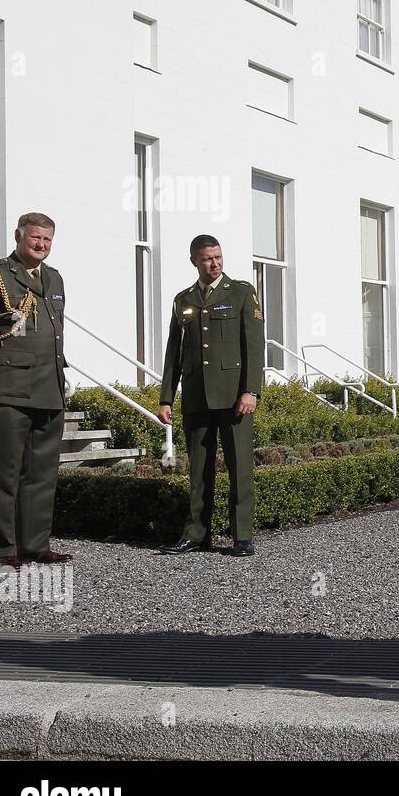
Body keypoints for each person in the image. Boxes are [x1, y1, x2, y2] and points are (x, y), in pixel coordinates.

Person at [0, 213, 71, 568]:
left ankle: (35, 544)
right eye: (35, 239)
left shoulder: (54, 277)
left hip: (49, 388)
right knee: (7, 472)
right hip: (10, 390)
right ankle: (5, 549)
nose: (41, 245)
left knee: (42, 474)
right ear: (18, 236)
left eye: (47, 239)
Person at [157, 236, 264, 557]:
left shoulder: (243, 293)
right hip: (196, 397)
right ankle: (196, 534)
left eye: (218, 257)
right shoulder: (183, 300)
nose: (214, 263)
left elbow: (254, 346)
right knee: (198, 469)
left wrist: (251, 390)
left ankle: (242, 535)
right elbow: (173, 353)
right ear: (194, 261)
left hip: (234, 398)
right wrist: (166, 397)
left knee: (239, 467)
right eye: (206, 259)